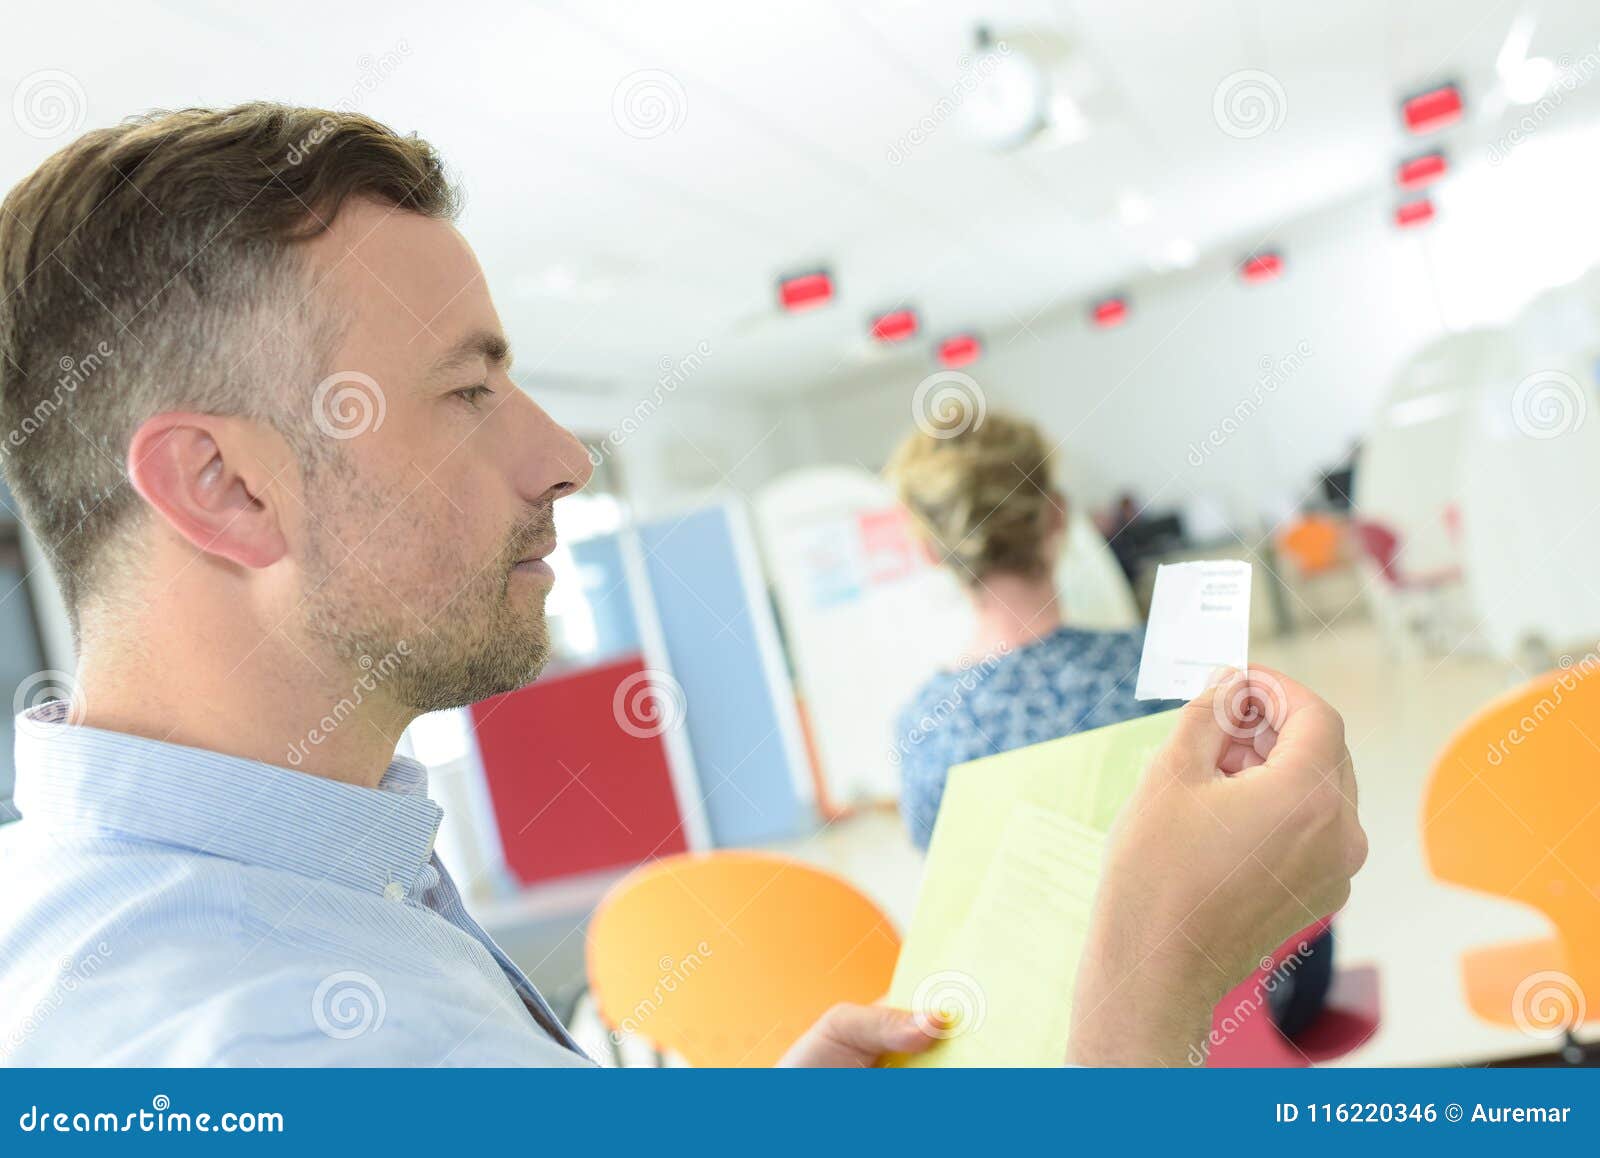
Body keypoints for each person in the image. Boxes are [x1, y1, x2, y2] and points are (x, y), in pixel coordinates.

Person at [0, 104, 1365, 1066]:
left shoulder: (186, 892)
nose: (563, 455)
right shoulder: (285, 1052)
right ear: (226, 487)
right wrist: (1153, 984)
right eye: (469, 391)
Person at [886, 412, 1172, 851]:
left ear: (930, 550)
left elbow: (953, 896)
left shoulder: (927, 730)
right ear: (1057, 516)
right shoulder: (1159, 668)